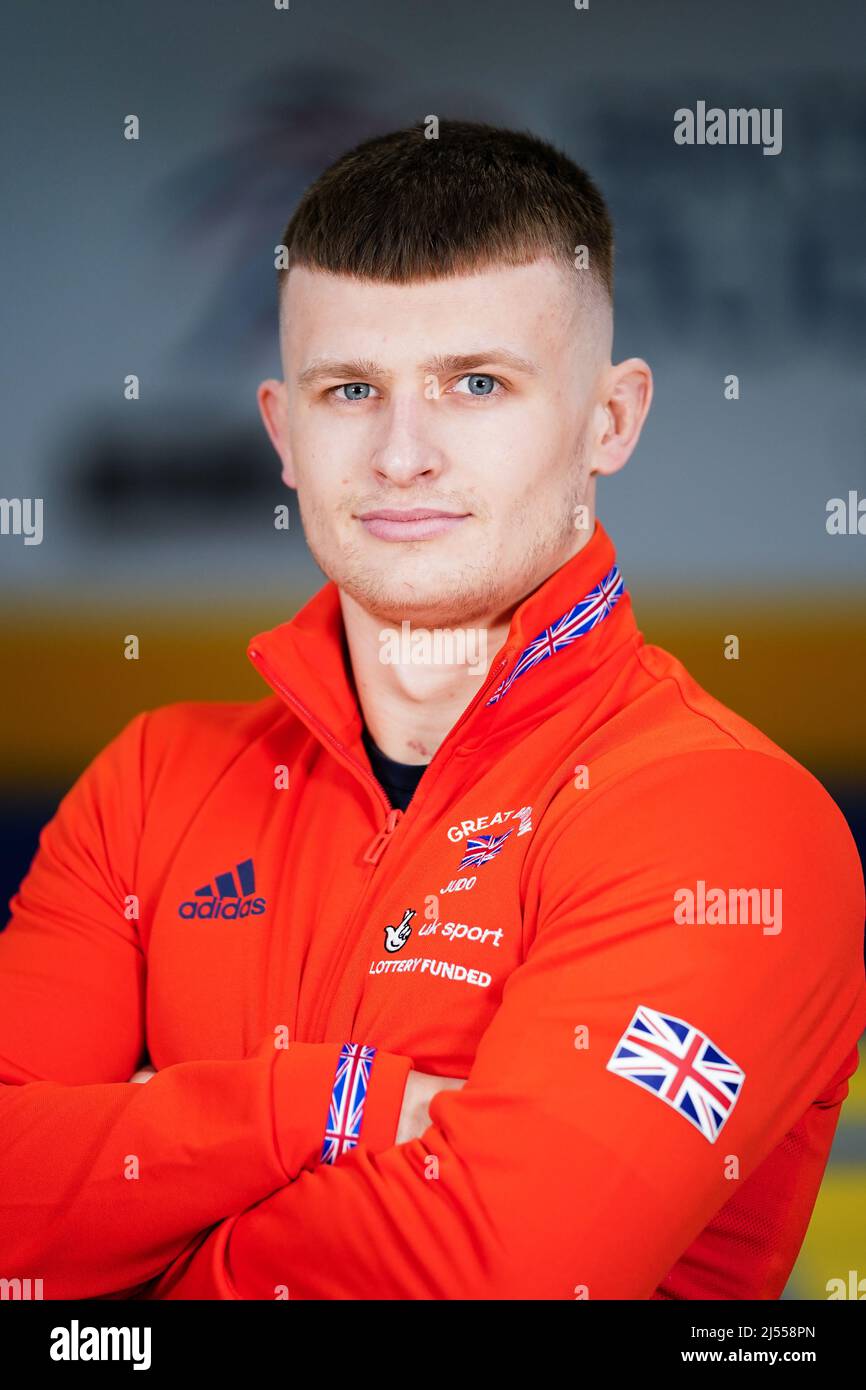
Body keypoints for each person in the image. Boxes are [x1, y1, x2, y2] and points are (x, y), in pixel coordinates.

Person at [1, 120, 864, 1301]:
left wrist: (139, 1252)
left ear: (609, 419)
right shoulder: (151, 783)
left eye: (475, 383)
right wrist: (327, 1105)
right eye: (350, 389)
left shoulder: (726, 821)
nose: (402, 454)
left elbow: (499, 1278)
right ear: (282, 432)